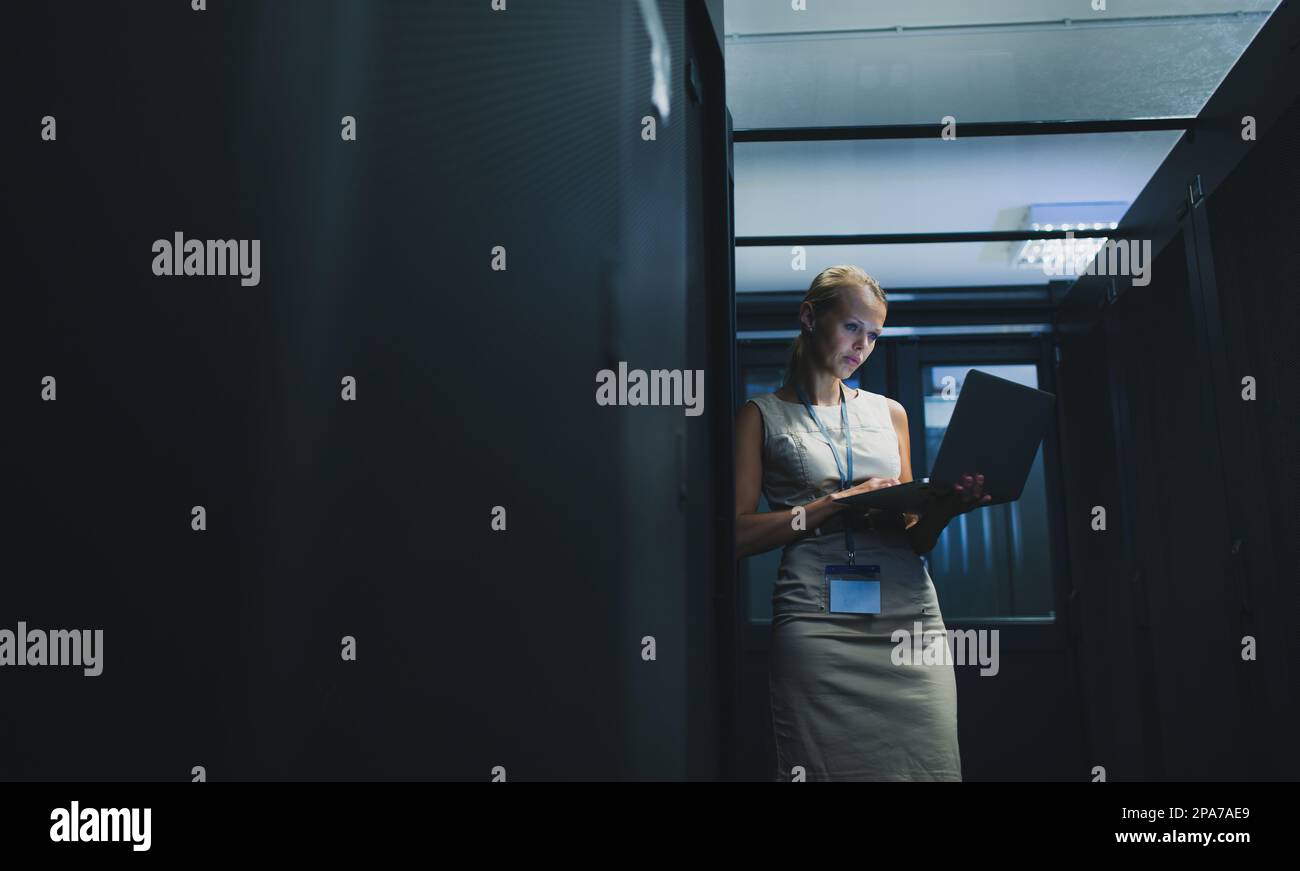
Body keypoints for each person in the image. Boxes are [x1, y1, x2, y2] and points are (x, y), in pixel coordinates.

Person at [734, 264, 990, 781]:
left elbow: (916, 538)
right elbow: (736, 535)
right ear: (809, 317)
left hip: (909, 619)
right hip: (817, 622)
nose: (863, 345)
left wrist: (946, 508)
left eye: (874, 335)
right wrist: (838, 503)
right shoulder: (759, 416)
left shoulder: (890, 413)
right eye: (853, 327)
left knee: (930, 770)